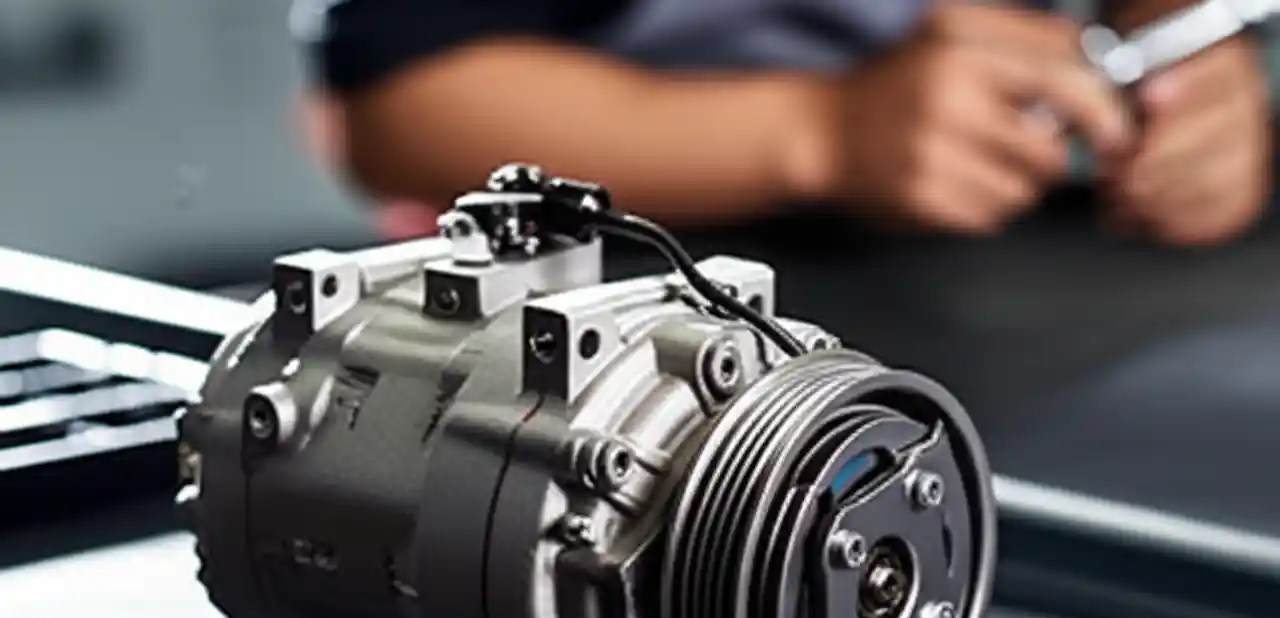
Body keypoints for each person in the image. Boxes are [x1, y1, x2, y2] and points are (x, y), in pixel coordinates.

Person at [293, 0, 1271, 247]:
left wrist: (1190, 71)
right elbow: (398, 113)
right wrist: (822, 131)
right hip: (609, 310)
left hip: (1002, 316)